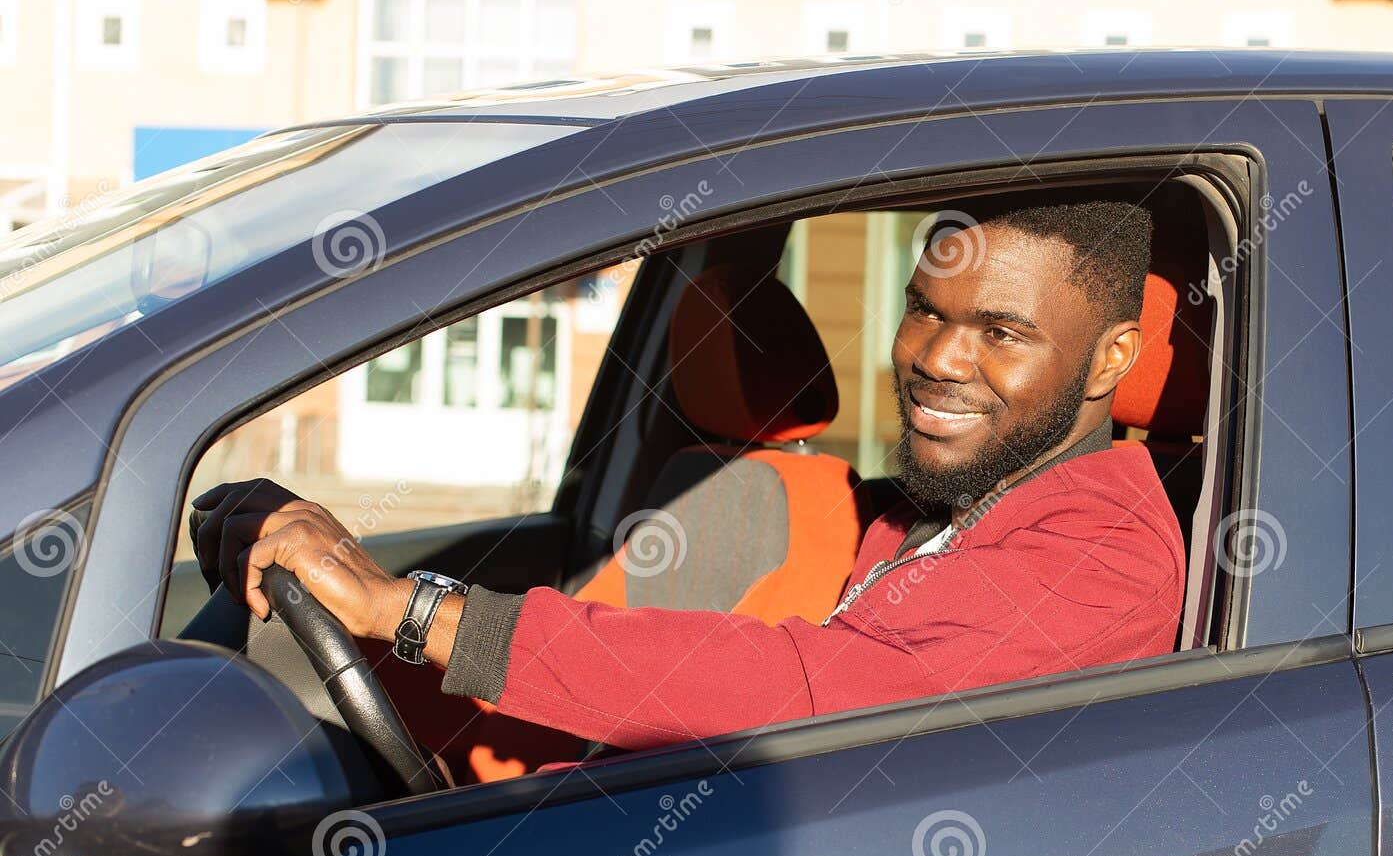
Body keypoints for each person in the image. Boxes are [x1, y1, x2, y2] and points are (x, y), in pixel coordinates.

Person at [190, 196, 1185, 751]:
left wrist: (414, 611)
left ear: (1108, 359)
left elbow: (811, 689)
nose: (936, 356)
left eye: (1002, 332)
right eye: (926, 308)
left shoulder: (1100, 553)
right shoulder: (921, 511)